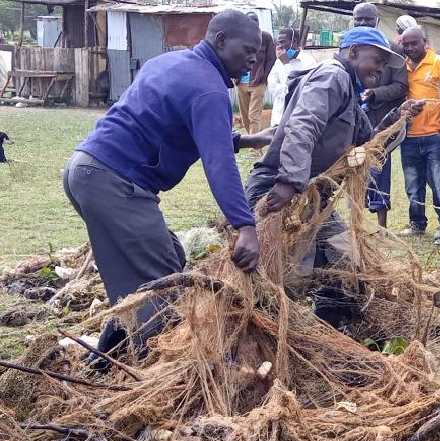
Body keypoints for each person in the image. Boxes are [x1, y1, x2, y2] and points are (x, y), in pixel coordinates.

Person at [64, 10, 272, 368]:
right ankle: (158, 376)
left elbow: (168, 122)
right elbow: (218, 165)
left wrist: (245, 139)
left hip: (84, 169)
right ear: (220, 41)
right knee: (164, 286)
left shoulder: (171, 63)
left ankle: (103, 361)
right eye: (247, 48)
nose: (253, 57)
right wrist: (246, 226)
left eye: (258, 51)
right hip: (116, 182)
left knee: (152, 270)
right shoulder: (208, 88)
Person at [244, 27, 420, 328]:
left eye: (382, 65)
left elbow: (369, 144)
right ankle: (265, 336)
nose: (379, 69)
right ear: (352, 53)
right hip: (280, 188)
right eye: (375, 60)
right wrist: (290, 181)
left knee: (346, 261)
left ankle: (328, 334)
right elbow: (303, 125)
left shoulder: (350, 93)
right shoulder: (332, 76)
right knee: (283, 275)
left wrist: (399, 118)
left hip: (312, 195)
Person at [353, 2, 409, 229]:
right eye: (359, 19)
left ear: (377, 21)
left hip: (380, 123)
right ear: (353, 20)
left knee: (379, 172)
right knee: (352, 171)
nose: (364, 23)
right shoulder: (348, 48)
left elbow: (401, 86)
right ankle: (354, 223)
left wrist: (374, 93)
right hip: (351, 124)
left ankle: (381, 227)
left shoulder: (392, 51)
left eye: (368, 19)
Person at [399, 27, 440, 245]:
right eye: (406, 44)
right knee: (413, 184)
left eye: (414, 43)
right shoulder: (401, 67)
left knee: (439, 184)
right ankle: (417, 224)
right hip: (409, 135)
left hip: (435, 135)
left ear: (425, 42)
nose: (410, 48)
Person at [267, 27, 317, 127]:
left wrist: (286, 65)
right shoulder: (279, 62)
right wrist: (287, 90)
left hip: (299, 118)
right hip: (279, 117)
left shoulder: (308, 62)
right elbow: (272, 85)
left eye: (282, 42)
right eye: (278, 43)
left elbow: (306, 89)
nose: (279, 46)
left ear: (294, 42)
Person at [236, 12, 276, 134]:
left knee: (254, 114)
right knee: (245, 115)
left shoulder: (266, 37)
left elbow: (271, 59)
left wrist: (263, 77)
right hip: (241, 81)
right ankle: (251, 138)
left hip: (258, 83)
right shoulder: (240, 38)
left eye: (255, 21)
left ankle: (254, 146)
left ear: (258, 24)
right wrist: (236, 76)